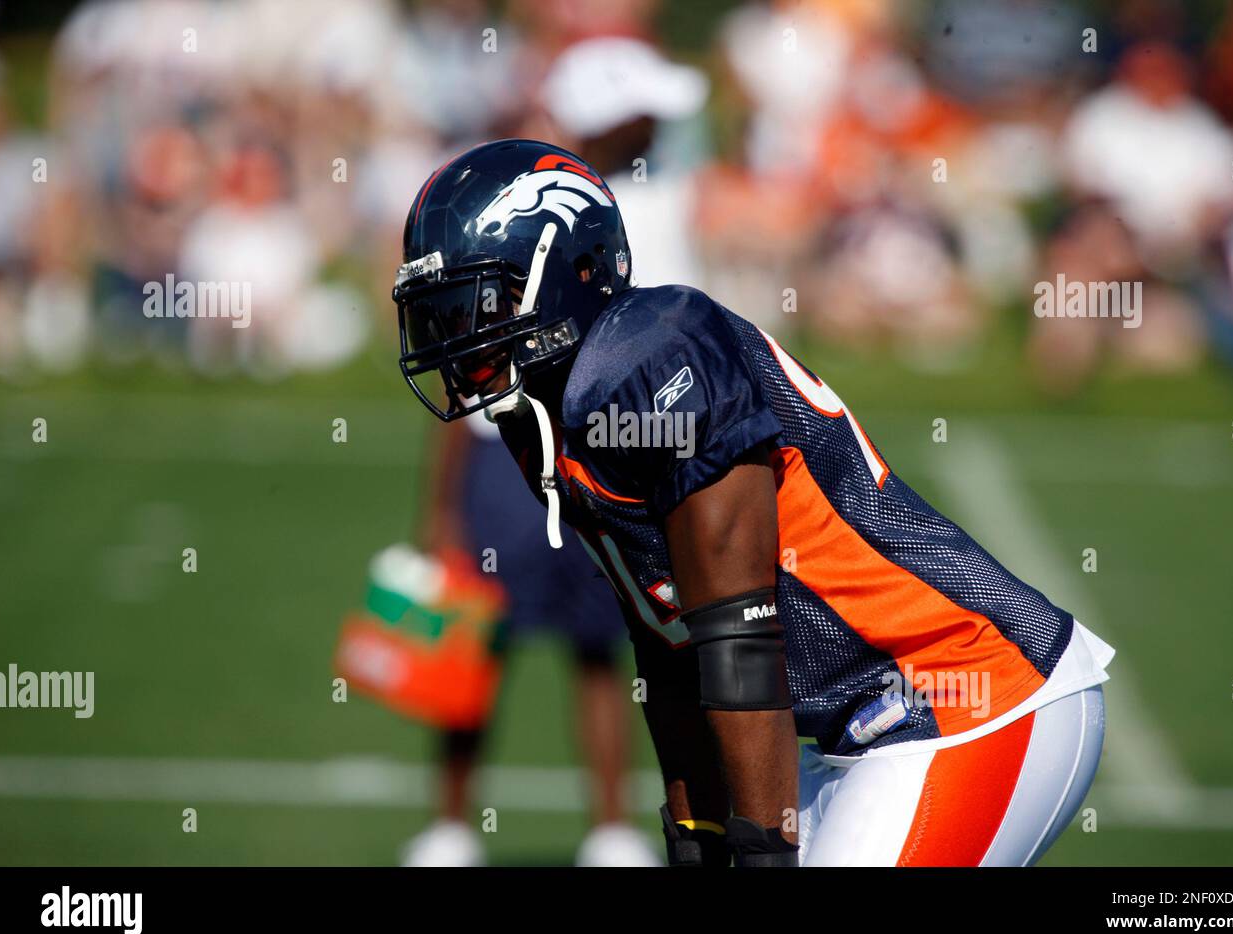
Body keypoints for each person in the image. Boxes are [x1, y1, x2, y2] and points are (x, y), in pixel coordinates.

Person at [390, 139, 1114, 867]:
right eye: (438, 317)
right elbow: (667, 646)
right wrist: (693, 833)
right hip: (859, 731)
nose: (453, 342)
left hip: (973, 697)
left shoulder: (655, 361)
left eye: (470, 307)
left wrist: (764, 848)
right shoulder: (545, 415)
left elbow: (741, 639)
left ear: (559, 278)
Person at [398, 410, 659, 867]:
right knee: (474, 655)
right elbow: (457, 385)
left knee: (599, 656)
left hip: (587, 456)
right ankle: (450, 828)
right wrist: (440, 509)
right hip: (501, 463)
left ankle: (613, 833)